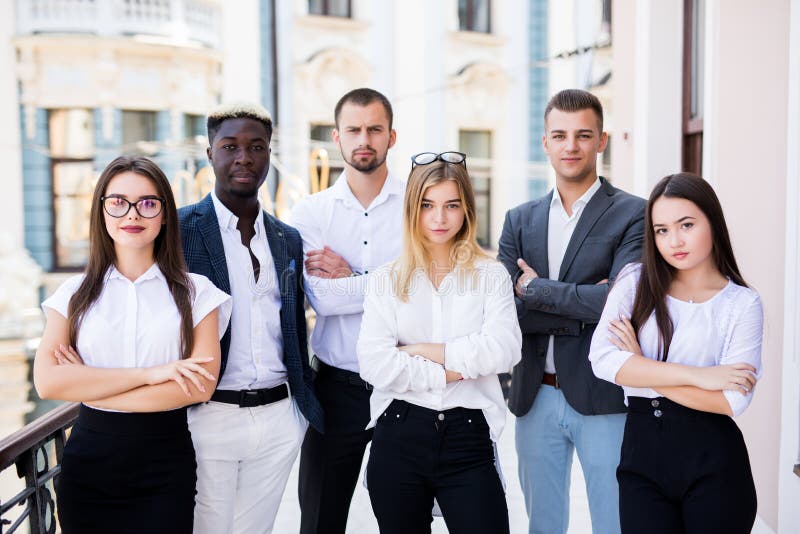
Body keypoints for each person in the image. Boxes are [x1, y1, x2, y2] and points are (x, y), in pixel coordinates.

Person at [33, 156, 232, 534]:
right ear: (103, 211)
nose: (132, 214)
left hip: (164, 463)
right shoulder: (73, 295)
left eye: (148, 203)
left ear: (165, 215)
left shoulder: (198, 294)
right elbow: (48, 383)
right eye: (118, 202)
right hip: (88, 464)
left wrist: (90, 386)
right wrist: (152, 375)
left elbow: (199, 386)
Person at [497, 89, 645, 534]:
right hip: (533, 395)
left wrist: (535, 289)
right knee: (542, 524)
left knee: (614, 521)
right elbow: (504, 311)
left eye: (584, 135)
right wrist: (584, 302)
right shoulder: (518, 219)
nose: (571, 146)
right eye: (560, 135)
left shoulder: (633, 214)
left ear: (602, 141)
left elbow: (619, 307)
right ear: (545, 142)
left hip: (603, 398)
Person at [357, 154, 522, 533]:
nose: (439, 218)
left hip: (469, 435)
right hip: (399, 431)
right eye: (427, 206)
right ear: (412, 209)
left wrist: (421, 352)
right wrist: (452, 371)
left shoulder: (490, 275)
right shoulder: (386, 279)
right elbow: (375, 364)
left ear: (466, 209)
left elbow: (505, 348)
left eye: (451, 205)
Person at [178, 102, 322, 534]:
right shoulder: (179, 230)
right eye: (230, 146)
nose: (244, 157)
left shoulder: (287, 238)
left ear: (269, 155)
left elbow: (294, 323)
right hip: (209, 416)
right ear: (210, 155)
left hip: (279, 417)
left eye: (256, 146)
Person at [588, 172, 761, 533]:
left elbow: (731, 400)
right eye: (661, 230)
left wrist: (641, 368)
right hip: (642, 458)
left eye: (686, 225)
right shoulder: (634, 282)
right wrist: (699, 376)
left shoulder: (742, 304)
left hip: (714, 460)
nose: (674, 240)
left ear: (712, 222)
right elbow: (603, 360)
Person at [290, 88, 403, 533]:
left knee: (403, 518)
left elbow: (429, 286)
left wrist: (353, 272)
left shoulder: (420, 204)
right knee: (320, 520)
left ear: (391, 136)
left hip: (403, 385)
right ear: (336, 137)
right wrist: (390, 278)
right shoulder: (311, 212)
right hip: (336, 389)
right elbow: (323, 300)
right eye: (354, 129)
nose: (364, 139)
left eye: (375, 129)